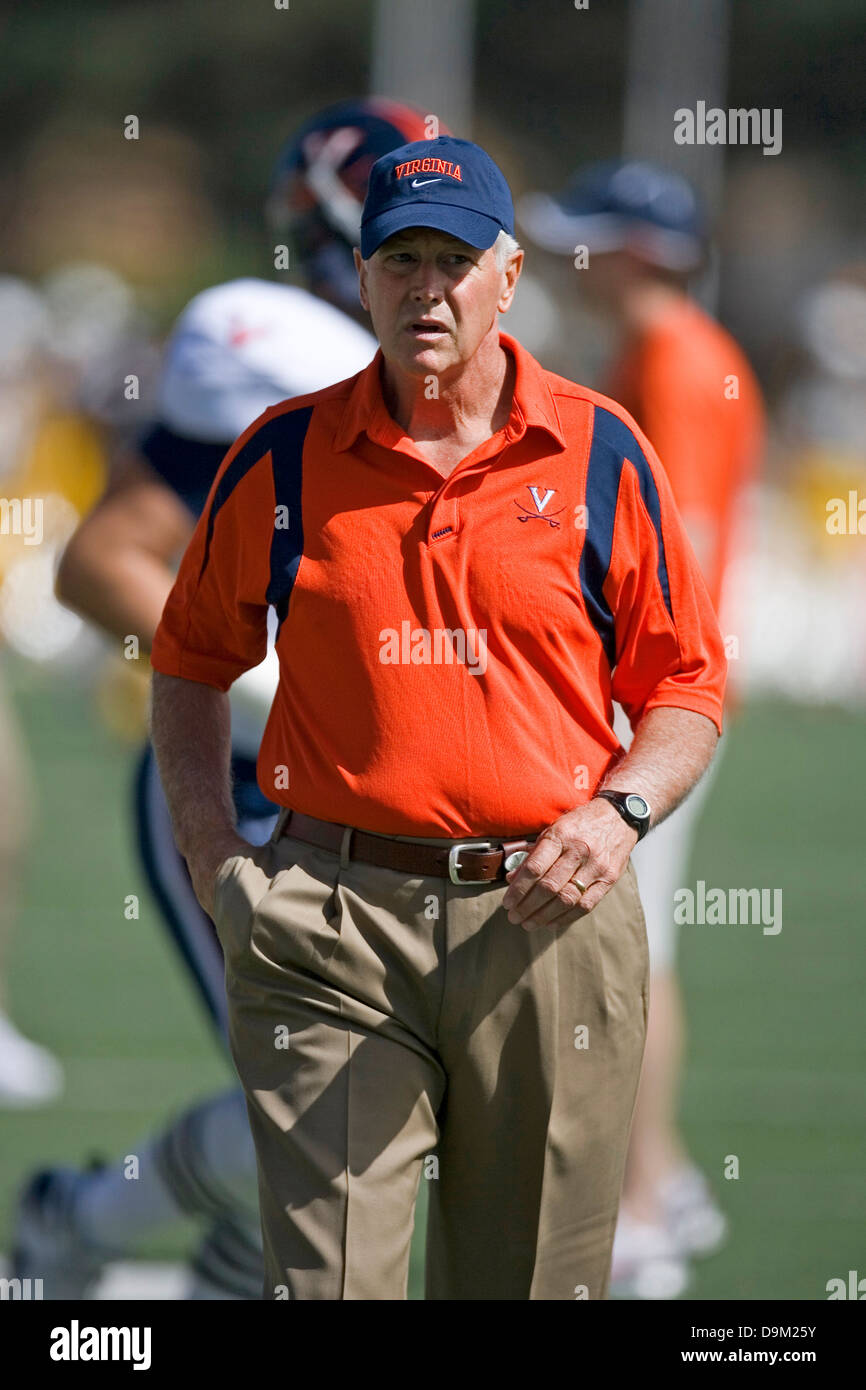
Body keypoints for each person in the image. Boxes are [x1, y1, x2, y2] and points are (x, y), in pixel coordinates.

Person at [148, 134, 727, 1301]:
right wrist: (216, 856)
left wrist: (616, 816)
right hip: (331, 926)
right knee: (327, 1288)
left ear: (506, 276)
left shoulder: (602, 447)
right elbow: (188, 661)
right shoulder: (282, 454)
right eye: (397, 258)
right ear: (358, 278)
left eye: (452, 259)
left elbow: (685, 686)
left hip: (550, 920)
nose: (425, 287)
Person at [12, 99, 431, 1299]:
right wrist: (263, 680)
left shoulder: (463, 371)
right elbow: (99, 560)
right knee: (319, 1103)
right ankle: (85, 1229)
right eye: (411, 240)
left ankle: (132, 1244)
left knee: (388, 1101)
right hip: (250, 781)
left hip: (405, 789)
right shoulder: (266, 344)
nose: (434, 270)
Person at [520, 159, 765, 1297]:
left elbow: (682, 557)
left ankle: (647, 1204)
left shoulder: (674, 362)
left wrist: (632, 713)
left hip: (659, 700)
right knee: (631, 943)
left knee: (631, 950)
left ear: (642, 252)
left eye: (592, 240)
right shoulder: (657, 355)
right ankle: (652, 1193)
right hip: (660, 692)